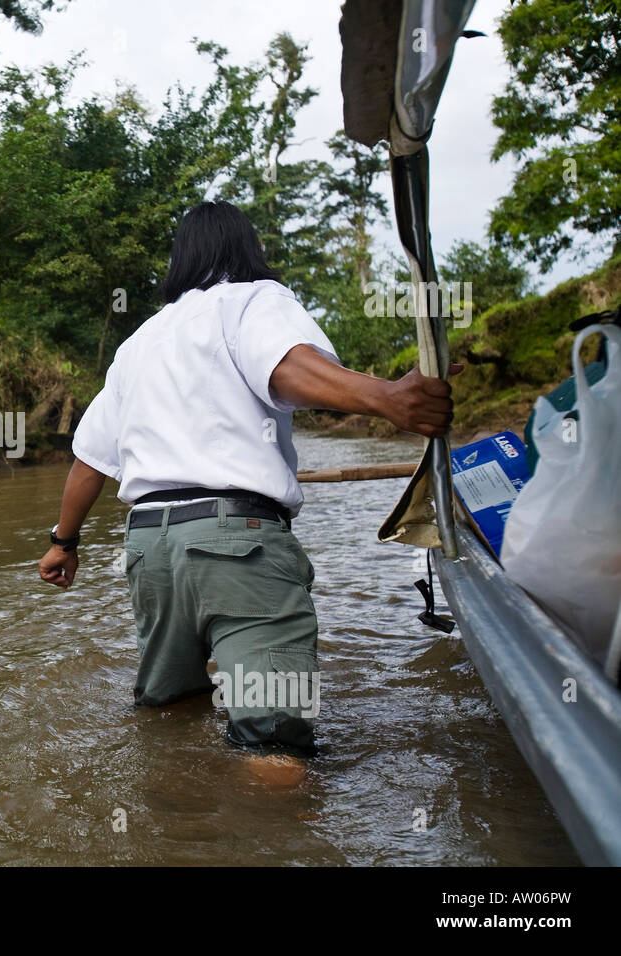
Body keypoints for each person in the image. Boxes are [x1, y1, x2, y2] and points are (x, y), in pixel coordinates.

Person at [37, 200, 458, 755]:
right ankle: (266, 832)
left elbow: (90, 461)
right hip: (236, 540)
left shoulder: (136, 345)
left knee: (169, 709)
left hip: (148, 549)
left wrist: (62, 543)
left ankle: (166, 826)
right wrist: (387, 399)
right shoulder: (254, 300)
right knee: (273, 738)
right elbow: (284, 365)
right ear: (246, 249)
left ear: (181, 260)